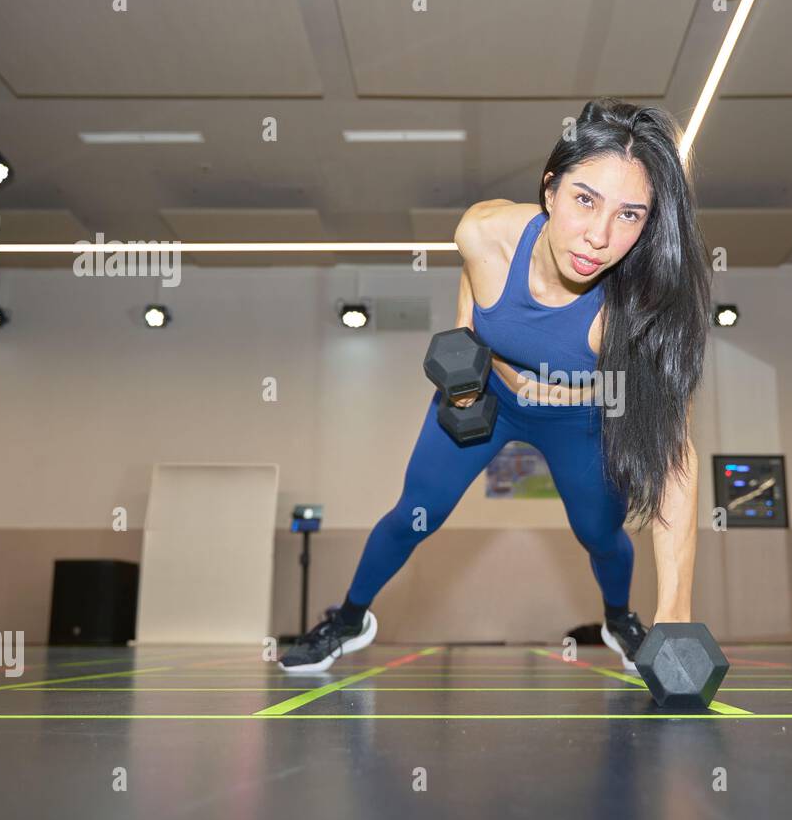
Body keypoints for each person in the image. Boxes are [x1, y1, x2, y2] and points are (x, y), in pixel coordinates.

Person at [281, 98, 712, 673]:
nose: (599, 237)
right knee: (416, 513)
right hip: (493, 400)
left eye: (630, 215)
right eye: (585, 200)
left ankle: (620, 618)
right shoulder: (483, 233)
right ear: (550, 189)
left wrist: (676, 615)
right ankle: (348, 618)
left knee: (600, 534)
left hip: (580, 418)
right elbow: (474, 281)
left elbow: (675, 461)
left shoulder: (639, 310)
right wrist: (466, 348)